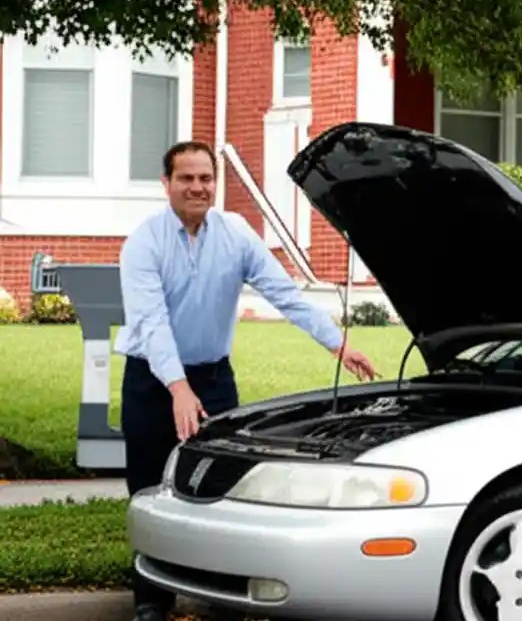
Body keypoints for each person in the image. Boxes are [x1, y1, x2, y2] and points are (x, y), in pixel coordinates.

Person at [114, 141, 378, 621]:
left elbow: (285, 293)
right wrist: (177, 388)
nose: (197, 187)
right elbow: (151, 325)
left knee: (218, 488)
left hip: (214, 380)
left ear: (216, 183)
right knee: (150, 489)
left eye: (205, 179)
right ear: (166, 184)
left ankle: (219, 593)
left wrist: (337, 344)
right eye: (186, 178)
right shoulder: (143, 243)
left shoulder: (236, 234)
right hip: (152, 382)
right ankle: (152, 601)